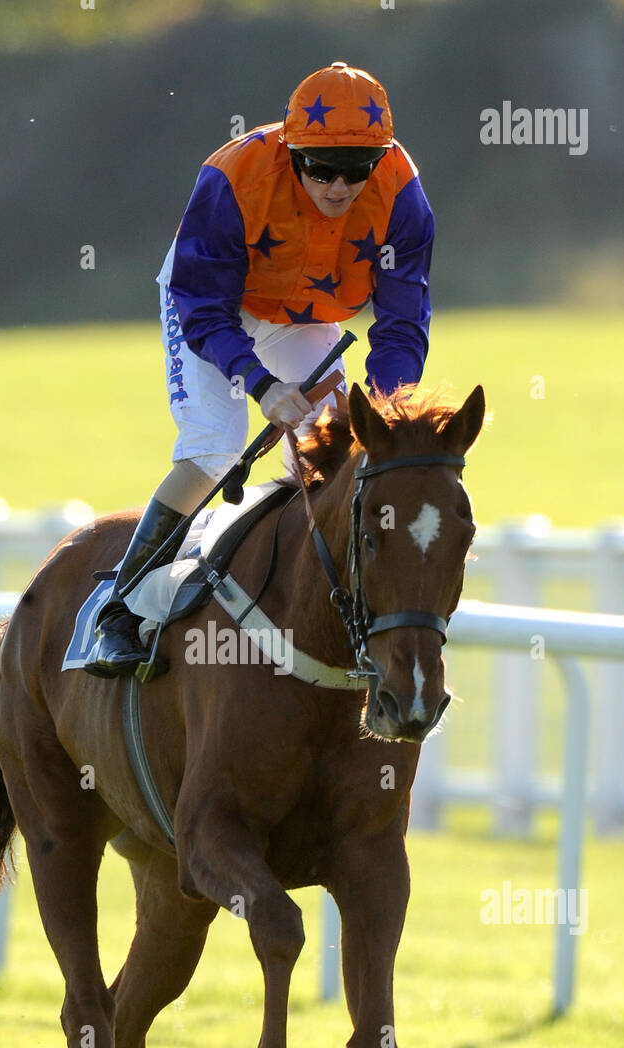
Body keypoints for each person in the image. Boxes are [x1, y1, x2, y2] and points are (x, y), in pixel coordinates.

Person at [86, 60, 434, 677]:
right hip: (213, 308)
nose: (337, 186)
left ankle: (338, 614)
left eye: (356, 171)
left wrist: (385, 417)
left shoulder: (402, 196)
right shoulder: (233, 178)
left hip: (300, 316)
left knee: (342, 450)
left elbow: (402, 325)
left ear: (380, 160)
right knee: (213, 450)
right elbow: (206, 313)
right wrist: (263, 386)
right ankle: (120, 608)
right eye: (320, 169)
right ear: (290, 150)